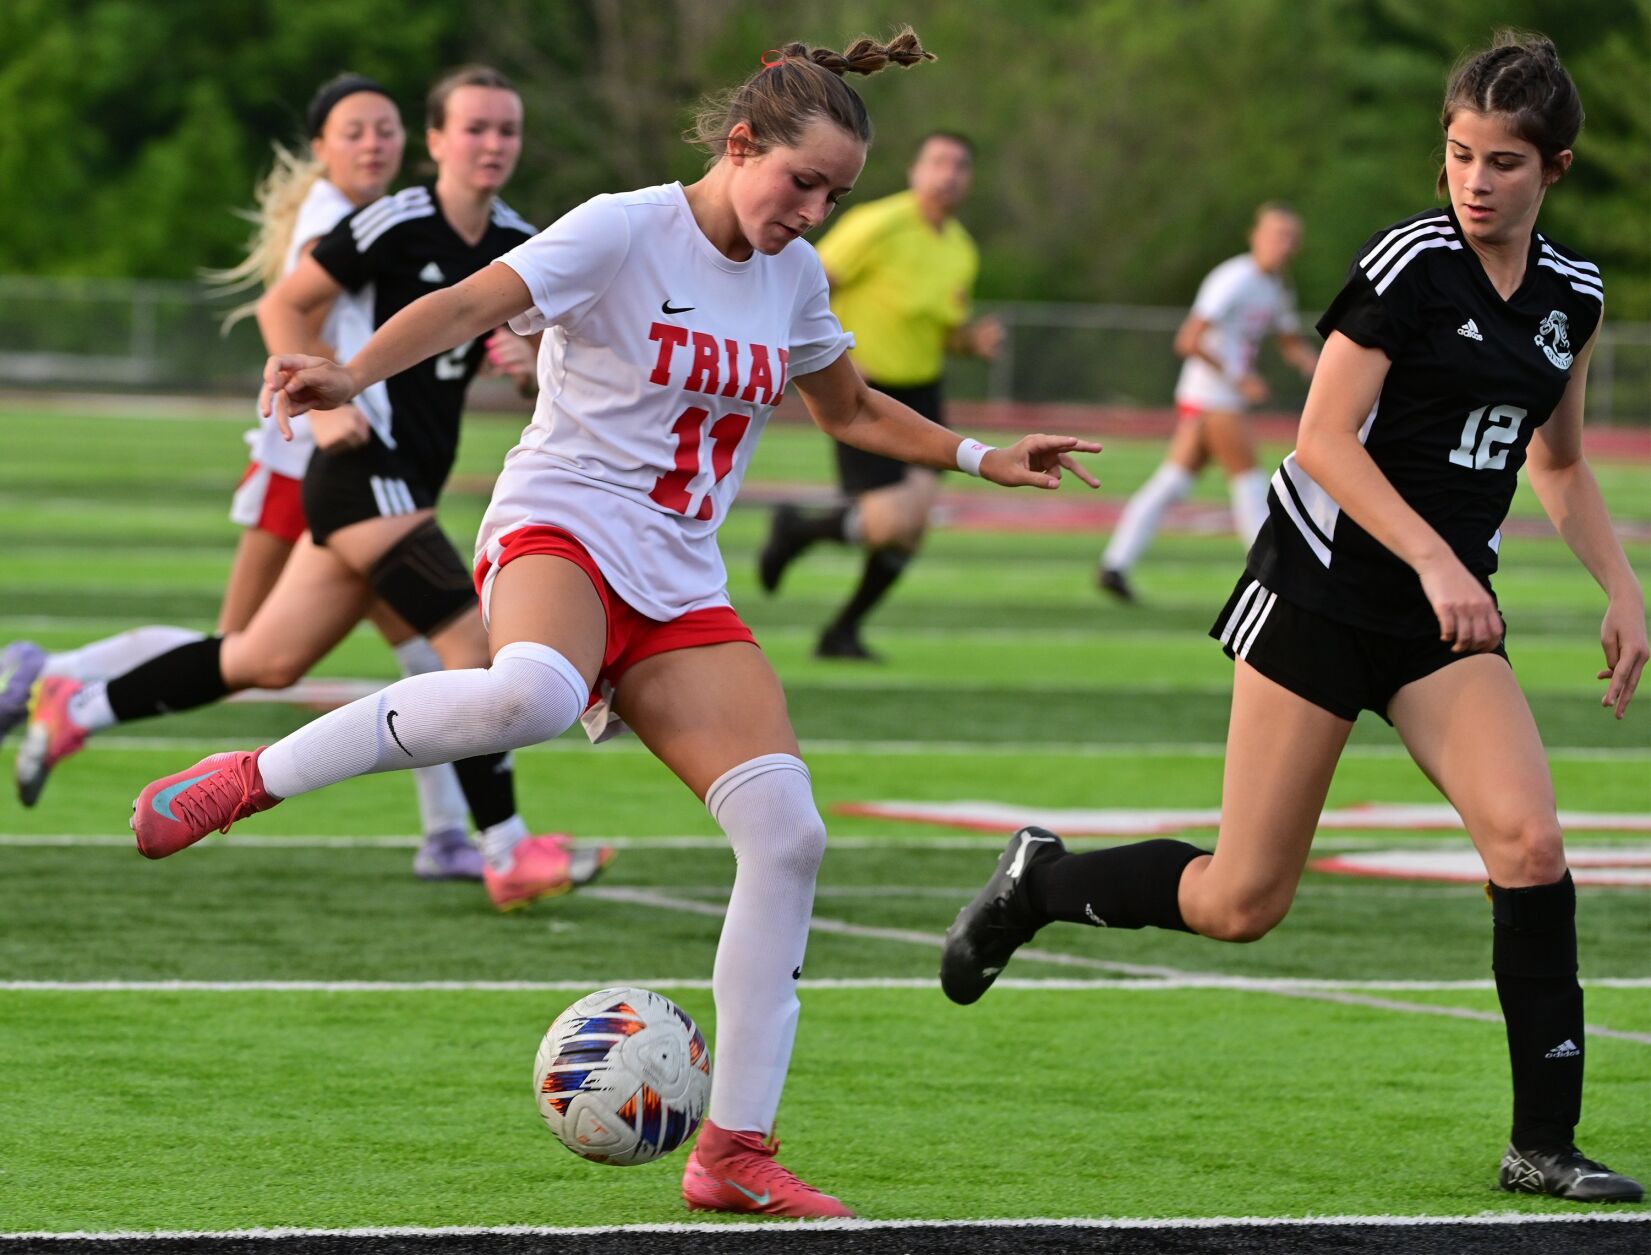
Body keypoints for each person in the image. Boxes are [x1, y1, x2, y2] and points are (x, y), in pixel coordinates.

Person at [129, 29, 1099, 1216]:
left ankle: (733, 1151)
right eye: (799, 182)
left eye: (835, 195)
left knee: (788, 836)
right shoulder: (620, 225)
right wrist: (353, 374)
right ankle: (248, 778)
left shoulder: (795, 273)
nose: (811, 211)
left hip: (680, 582)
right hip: (562, 527)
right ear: (740, 144)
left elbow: (846, 407)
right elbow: (468, 303)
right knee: (526, 693)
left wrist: (981, 454)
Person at [942, 32, 1645, 1203]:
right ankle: (1041, 881)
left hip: (1438, 621)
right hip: (1320, 592)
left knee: (1529, 847)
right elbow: (1318, 440)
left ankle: (1542, 1144)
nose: (1476, 180)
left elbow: (1557, 466)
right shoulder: (1409, 264)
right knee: (1240, 902)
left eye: (1506, 162)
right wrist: (1433, 558)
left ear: (1554, 170)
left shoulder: (1574, 297)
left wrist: (1621, 587)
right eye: (1460, 154)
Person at [19, 66, 610, 911]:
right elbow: (283, 308)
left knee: (266, 657)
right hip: (360, 474)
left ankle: (84, 702)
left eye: (506, 131)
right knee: (473, 653)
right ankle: (505, 850)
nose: (492, 145)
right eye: (473, 128)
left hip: (408, 482)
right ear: (435, 139)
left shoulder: (521, 238)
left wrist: (522, 368)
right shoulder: (395, 219)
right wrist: (331, 411)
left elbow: (529, 356)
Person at [755, 130, 1001, 659]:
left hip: (924, 387)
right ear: (914, 169)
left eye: (959, 165)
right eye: (937, 161)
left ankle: (842, 631)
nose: (948, 173)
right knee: (891, 521)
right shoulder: (880, 223)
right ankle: (798, 529)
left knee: (911, 530)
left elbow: (943, 330)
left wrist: (970, 341)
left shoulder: (960, 248)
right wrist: (833, 356)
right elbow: (808, 280)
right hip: (864, 387)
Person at [1098, 203, 1318, 602]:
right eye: (1275, 235)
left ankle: (1115, 563)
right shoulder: (1233, 279)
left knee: (1173, 483)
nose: (1282, 245)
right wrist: (1240, 378)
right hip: (1213, 395)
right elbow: (1188, 339)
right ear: (1255, 236)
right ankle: (1271, 576)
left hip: (1219, 397)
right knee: (1249, 478)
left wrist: (1318, 366)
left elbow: (1287, 339)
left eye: (1290, 238)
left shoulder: (1277, 286)